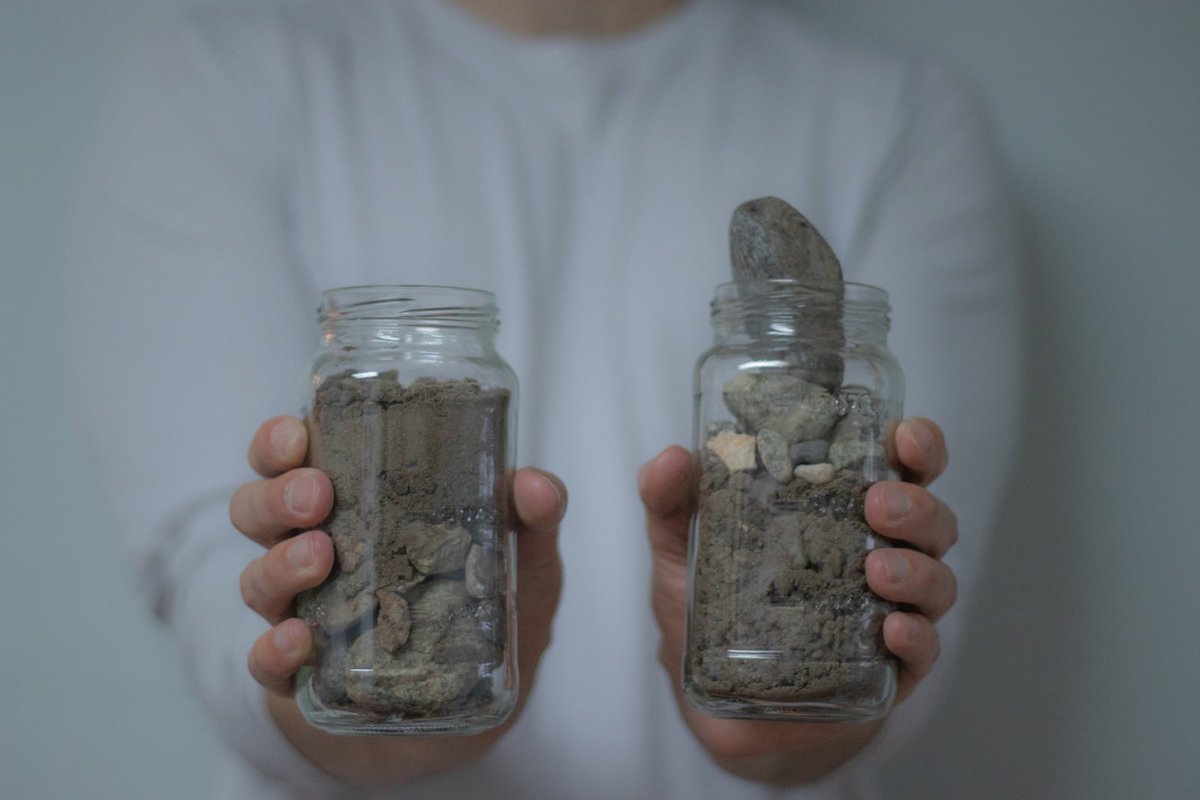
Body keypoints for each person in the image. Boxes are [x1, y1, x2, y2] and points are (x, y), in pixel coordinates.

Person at [67, 0, 1023, 797]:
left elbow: (915, 613)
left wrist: (765, 696)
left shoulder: (893, 109)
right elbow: (220, 611)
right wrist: (375, 692)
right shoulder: (222, 76)